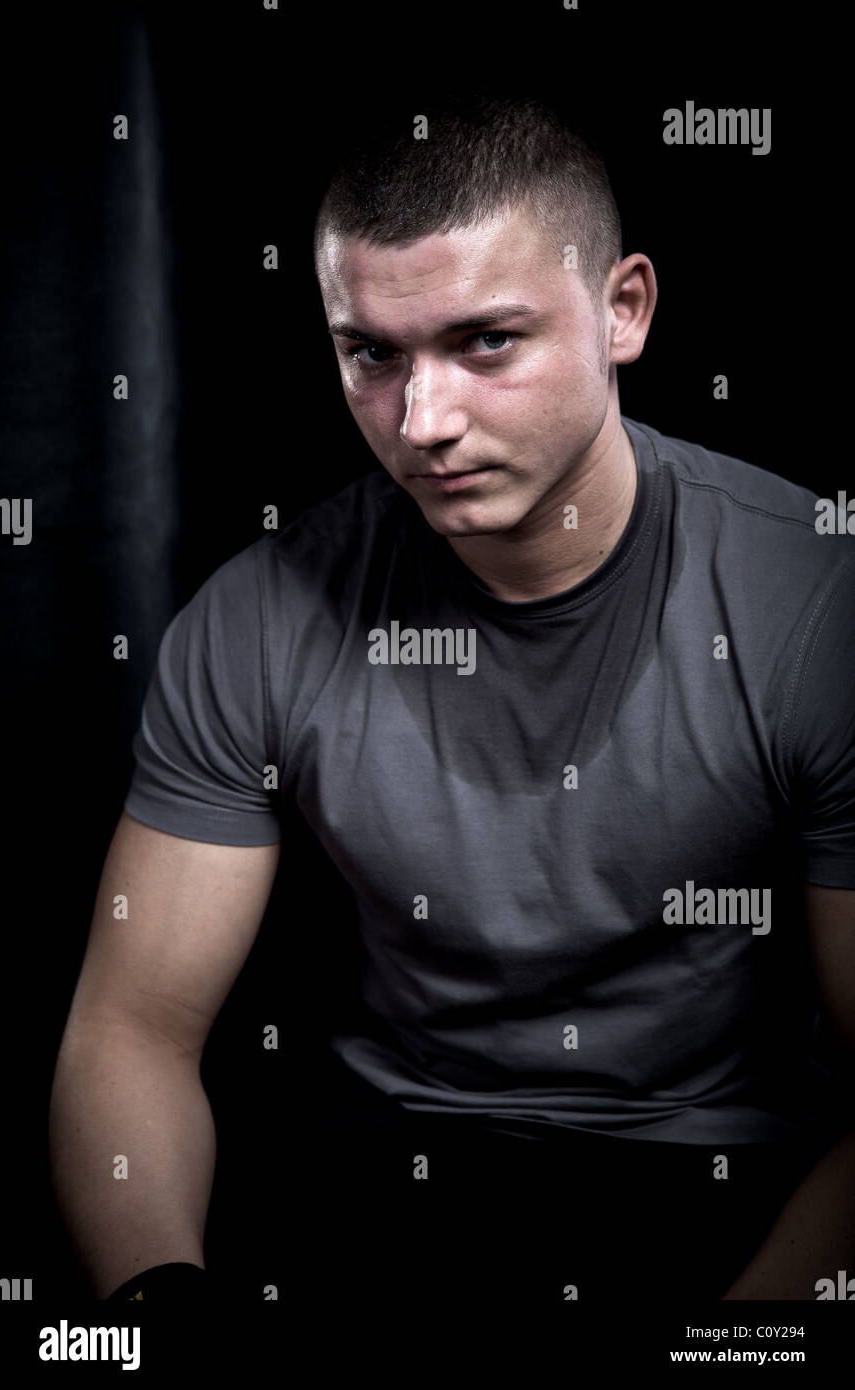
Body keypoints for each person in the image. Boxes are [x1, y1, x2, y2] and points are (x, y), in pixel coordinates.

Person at [50, 95, 855, 1312]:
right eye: (372, 353)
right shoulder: (259, 613)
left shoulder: (814, 601)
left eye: (486, 342)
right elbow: (131, 1028)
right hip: (390, 1169)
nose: (423, 424)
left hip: (722, 1182)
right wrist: (161, 1308)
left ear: (622, 310)